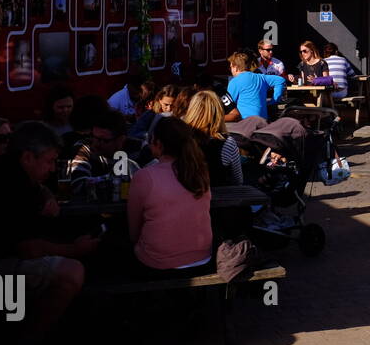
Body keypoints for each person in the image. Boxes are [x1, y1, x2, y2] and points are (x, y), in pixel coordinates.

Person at [0, 122, 95, 345]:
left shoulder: (16, 173)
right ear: (28, 157)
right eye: (49, 161)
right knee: (72, 272)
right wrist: (75, 249)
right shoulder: (9, 185)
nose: (52, 168)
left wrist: (45, 191)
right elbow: (28, 248)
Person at [125, 117, 213, 276]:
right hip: (202, 257)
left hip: (158, 262)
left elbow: (134, 231)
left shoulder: (144, 176)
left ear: (158, 143)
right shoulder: (200, 171)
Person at [182, 90, 243, 186]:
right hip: (217, 195)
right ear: (219, 112)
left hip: (184, 195)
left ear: (192, 110)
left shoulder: (180, 137)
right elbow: (238, 180)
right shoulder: (227, 142)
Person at [66, 109, 132, 196]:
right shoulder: (83, 148)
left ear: (121, 140)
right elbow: (77, 184)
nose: (96, 143)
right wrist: (119, 181)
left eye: (103, 140)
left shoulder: (138, 148)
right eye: (94, 137)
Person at [227, 51, 285, 122]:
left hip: (244, 123)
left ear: (235, 67)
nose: (230, 70)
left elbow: (228, 106)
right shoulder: (261, 78)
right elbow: (280, 80)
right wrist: (275, 99)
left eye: (230, 68)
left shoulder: (234, 82)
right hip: (263, 122)